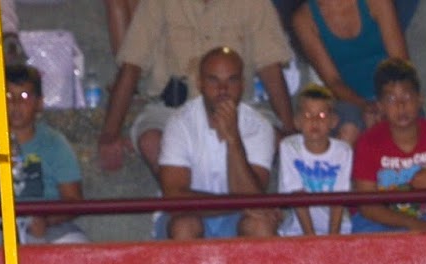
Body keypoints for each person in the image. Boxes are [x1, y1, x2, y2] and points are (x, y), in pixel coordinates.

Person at [97, 0, 294, 181]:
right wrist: (110, 133)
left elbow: (270, 68)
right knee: (150, 141)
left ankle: (235, 204)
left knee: (272, 138)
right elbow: (132, 64)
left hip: (237, 106)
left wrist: (289, 129)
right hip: (173, 110)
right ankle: (181, 197)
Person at [155, 46, 277, 240]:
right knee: (185, 225)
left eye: (232, 80)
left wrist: (233, 139)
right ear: (200, 83)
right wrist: (235, 203)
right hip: (190, 217)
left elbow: (253, 201)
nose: (222, 89)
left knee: (259, 224)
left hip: (235, 218)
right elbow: (175, 197)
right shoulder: (180, 123)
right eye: (213, 80)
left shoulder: (259, 126)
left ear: (243, 85)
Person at [349, 56, 426, 232]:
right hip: (380, 222)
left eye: (407, 96)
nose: (401, 106)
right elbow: (367, 206)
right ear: (380, 106)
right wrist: (412, 224)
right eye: (391, 100)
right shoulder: (368, 142)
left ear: (420, 99)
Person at [0, 63, 87, 244]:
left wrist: (46, 221)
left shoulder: (54, 142)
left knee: (77, 249)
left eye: (24, 96)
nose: (16, 104)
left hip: (49, 224)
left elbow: (74, 201)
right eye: (8, 96)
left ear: (39, 103)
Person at [286, 0, 409, 144]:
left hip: (394, 92)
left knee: (400, 116)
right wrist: (365, 106)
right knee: (349, 128)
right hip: (349, 100)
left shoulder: (377, 3)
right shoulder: (304, 19)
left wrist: (388, 103)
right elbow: (332, 81)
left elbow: (400, 63)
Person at [277, 83, 352, 236]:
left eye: (322, 115)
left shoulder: (343, 151)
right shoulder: (289, 147)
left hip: (337, 228)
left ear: (333, 121)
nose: (315, 121)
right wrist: (311, 238)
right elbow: (297, 196)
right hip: (298, 229)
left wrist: (332, 238)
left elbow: (338, 199)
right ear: (297, 121)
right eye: (308, 115)